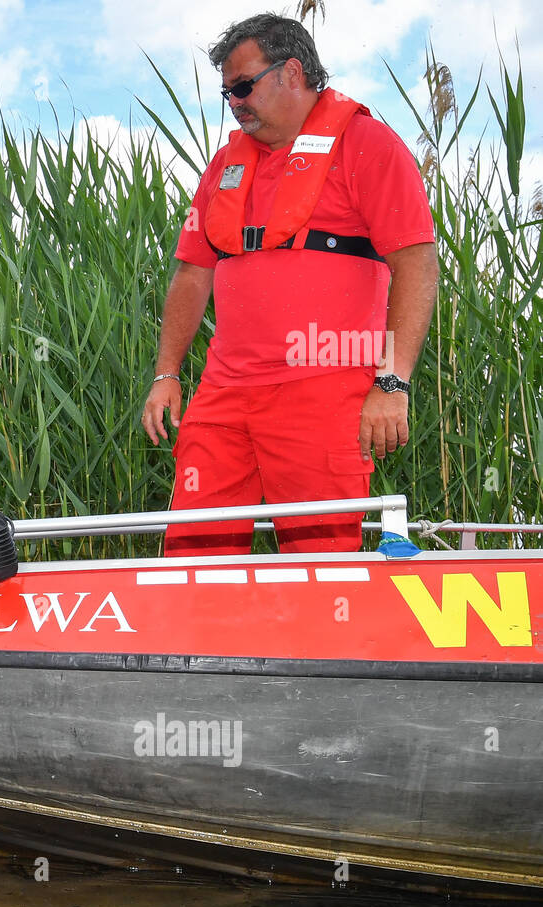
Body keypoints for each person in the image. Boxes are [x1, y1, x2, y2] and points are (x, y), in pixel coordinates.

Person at [140, 13, 438, 555]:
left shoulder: (367, 144)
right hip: (223, 394)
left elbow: (417, 264)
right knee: (193, 555)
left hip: (324, 391)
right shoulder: (225, 166)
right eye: (227, 92)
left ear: (292, 71)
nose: (234, 101)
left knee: (321, 566)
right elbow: (191, 270)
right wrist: (167, 373)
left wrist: (392, 383)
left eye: (244, 86)